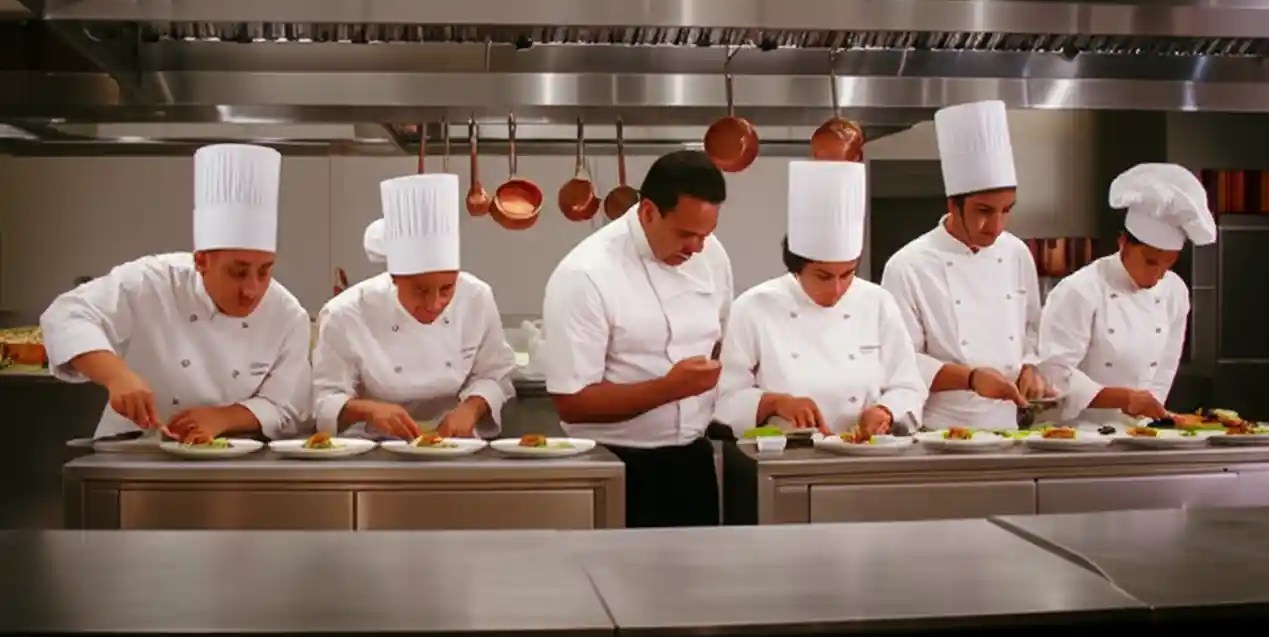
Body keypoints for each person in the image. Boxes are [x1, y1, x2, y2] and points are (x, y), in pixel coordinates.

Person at [40, 144, 312, 443]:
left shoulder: (286, 314)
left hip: (232, 457)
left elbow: (288, 405)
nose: (253, 289)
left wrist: (222, 417)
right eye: (238, 271)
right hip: (133, 449)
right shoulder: (152, 281)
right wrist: (116, 375)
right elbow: (67, 314)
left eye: (265, 271)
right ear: (201, 261)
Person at [539, 149, 734, 528]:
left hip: (692, 460)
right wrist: (670, 388)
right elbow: (572, 402)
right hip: (611, 465)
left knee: (695, 584)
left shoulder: (711, 256)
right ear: (647, 212)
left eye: (705, 235)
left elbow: (720, 339)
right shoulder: (585, 274)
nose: (696, 248)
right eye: (685, 234)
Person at [714, 161, 927, 437]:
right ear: (796, 267)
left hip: (866, 454)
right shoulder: (754, 307)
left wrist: (885, 411)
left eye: (848, 274)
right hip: (786, 458)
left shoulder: (878, 303)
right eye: (824, 276)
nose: (837, 289)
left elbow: (908, 386)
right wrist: (776, 403)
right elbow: (725, 399)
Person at [880, 100, 1052, 431]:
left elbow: (1032, 329)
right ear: (953, 204)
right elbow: (902, 361)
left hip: (1007, 428)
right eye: (984, 210)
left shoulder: (1017, 253)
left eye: (1006, 210)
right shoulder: (908, 266)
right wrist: (971, 378)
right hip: (939, 432)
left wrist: (1030, 367)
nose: (996, 225)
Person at [310, 173, 516, 441]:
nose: (435, 304)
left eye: (447, 289)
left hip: (456, 445)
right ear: (394, 278)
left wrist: (471, 407)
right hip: (372, 450)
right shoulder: (345, 313)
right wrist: (369, 410)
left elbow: (497, 375)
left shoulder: (476, 297)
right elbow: (324, 399)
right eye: (420, 290)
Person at [1037, 164, 1214, 428]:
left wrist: (1151, 416)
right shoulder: (1080, 290)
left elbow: (1164, 368)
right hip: (1074, 434)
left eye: (1168, 265)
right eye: (1151, 262)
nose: (1158, 276)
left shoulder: (1174, 292)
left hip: (1137, 434)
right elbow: (1054, 373)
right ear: (1123, 244)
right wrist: (1124, 398)